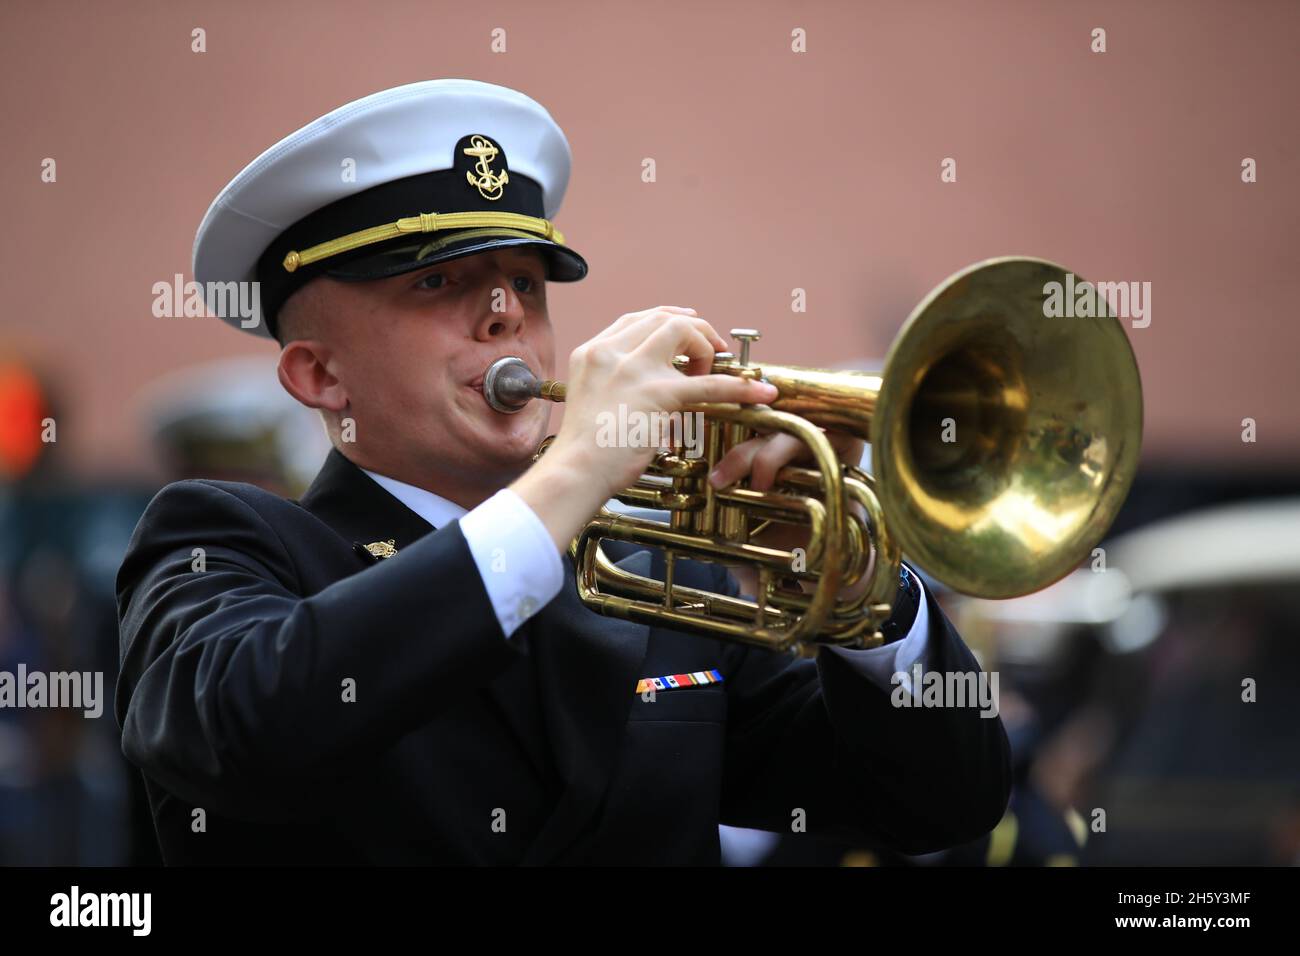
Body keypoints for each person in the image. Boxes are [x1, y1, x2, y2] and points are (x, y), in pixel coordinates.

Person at [115, 79, 1010, 865]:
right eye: (438, 284)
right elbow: (244, 730)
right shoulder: (225, 541)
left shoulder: (656, 580)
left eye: (528, 283)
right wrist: (578, 467)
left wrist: (860, 597)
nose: (506, 313)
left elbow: (940, 807)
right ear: (319, 374)